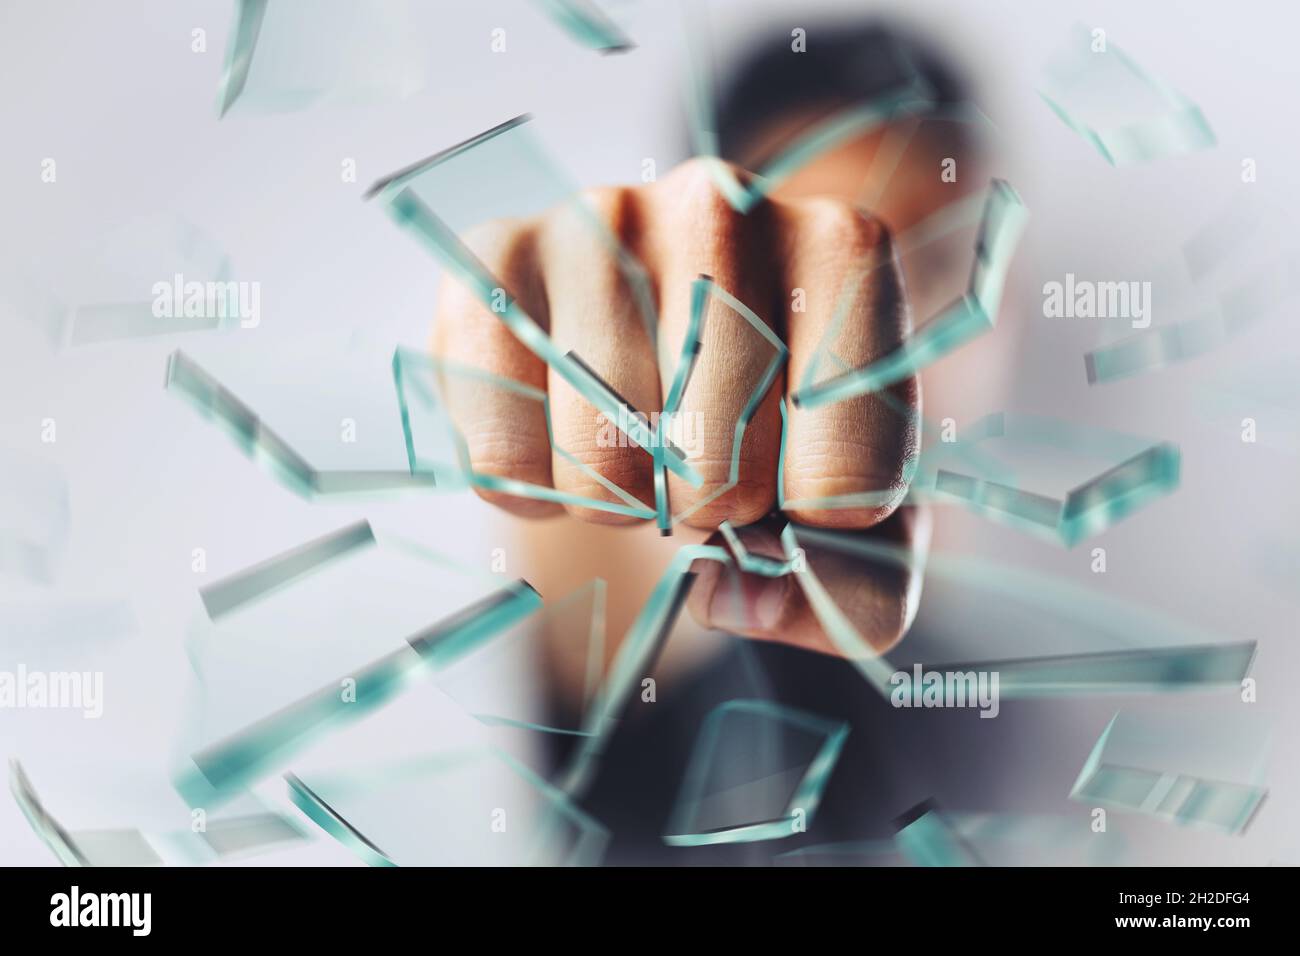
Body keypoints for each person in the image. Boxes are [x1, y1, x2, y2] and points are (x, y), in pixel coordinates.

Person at [432, 20, 1018, 863]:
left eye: (930, 272)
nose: (891, 349)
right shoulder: (677, 644)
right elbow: (615, 581)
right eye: (813, 295)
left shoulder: (1016, 713)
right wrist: (632, 428)